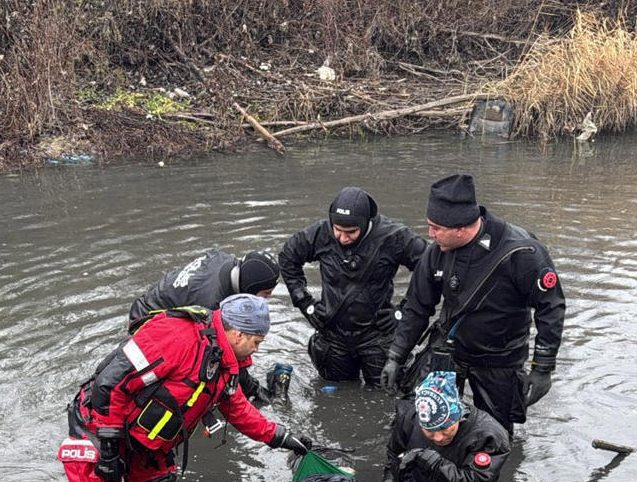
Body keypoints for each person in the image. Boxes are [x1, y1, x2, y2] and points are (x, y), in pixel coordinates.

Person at [58, 295, 310, 482]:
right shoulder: (177, 335)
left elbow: (237, 408)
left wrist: (281, 437)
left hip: (145, 445)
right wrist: (110, 450)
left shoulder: (225, 361)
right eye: (257, 342)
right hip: (97, 431)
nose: (257, 349)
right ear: (239, 335)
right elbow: (109, 383)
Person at [379, 173, 565, 434]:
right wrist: (395, 356)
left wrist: (543, 368)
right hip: (451, 348)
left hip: (500, 356)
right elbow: (417, 307)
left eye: (436, 228)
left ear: (460, 228)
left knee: (494, 434)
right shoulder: (436, 253)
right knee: (427, 424)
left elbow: (551, 308)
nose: (430, 234)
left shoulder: (522, 253)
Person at [278, 186, 426, 387]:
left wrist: (403, 312)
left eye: (350, 232)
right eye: (337, 229)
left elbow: (429, 267)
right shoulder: (320, 233)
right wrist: (305, 303)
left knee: (385, 394)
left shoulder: (394, 237)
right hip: (333, 334)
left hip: (377, 335)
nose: (342, 237)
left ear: (366, 224)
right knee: (335, 393)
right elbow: (287, 257)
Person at [128, 247, 281, 402]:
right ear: (250, 287)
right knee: (203, 368)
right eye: (266, 294)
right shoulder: (212, 305)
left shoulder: (227, 262)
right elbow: (226, 356)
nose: (268, 298)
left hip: (154, 301)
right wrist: (254, 390)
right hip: (145, 320)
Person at [381, 371, 510, 482]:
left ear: (458, 415)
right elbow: (394, 453)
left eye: (444, 429)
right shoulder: (409, 418)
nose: (438, 438)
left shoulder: (489, 436)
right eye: (429, 430)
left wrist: (431, 461)